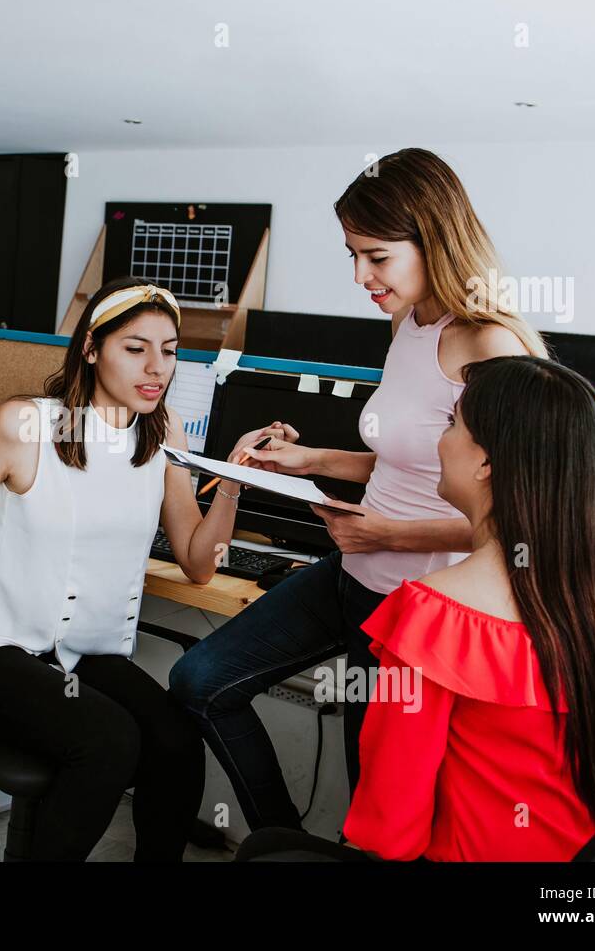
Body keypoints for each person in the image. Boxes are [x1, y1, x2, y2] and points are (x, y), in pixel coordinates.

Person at [169, 148, 549, 831]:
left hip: (417, 608)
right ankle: (282, 845)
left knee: (377, 810)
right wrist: (308, 459)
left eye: (375, 256)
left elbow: (520, 525)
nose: (359, 276)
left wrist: (387, 534)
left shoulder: (493, 348)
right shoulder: (408, 323)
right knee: (200, 680)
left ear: (432, 236)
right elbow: (406, 461)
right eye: (351, 254)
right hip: (353, 575)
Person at [0, 276, 263, 861]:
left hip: (83, 652)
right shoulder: (23, 425)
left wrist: (233, 485)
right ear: (90, 348)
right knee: (108, 742)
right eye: (135, 348)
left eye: (169, 351)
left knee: (176, 740)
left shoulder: (162, 436)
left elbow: (197, 562)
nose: (157, 367)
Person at [263, 357, 595, 860]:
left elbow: (391, 835)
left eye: (453, 422)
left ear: (486, 463)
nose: (441, 437)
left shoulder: (434, 618)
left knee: (267, 848)